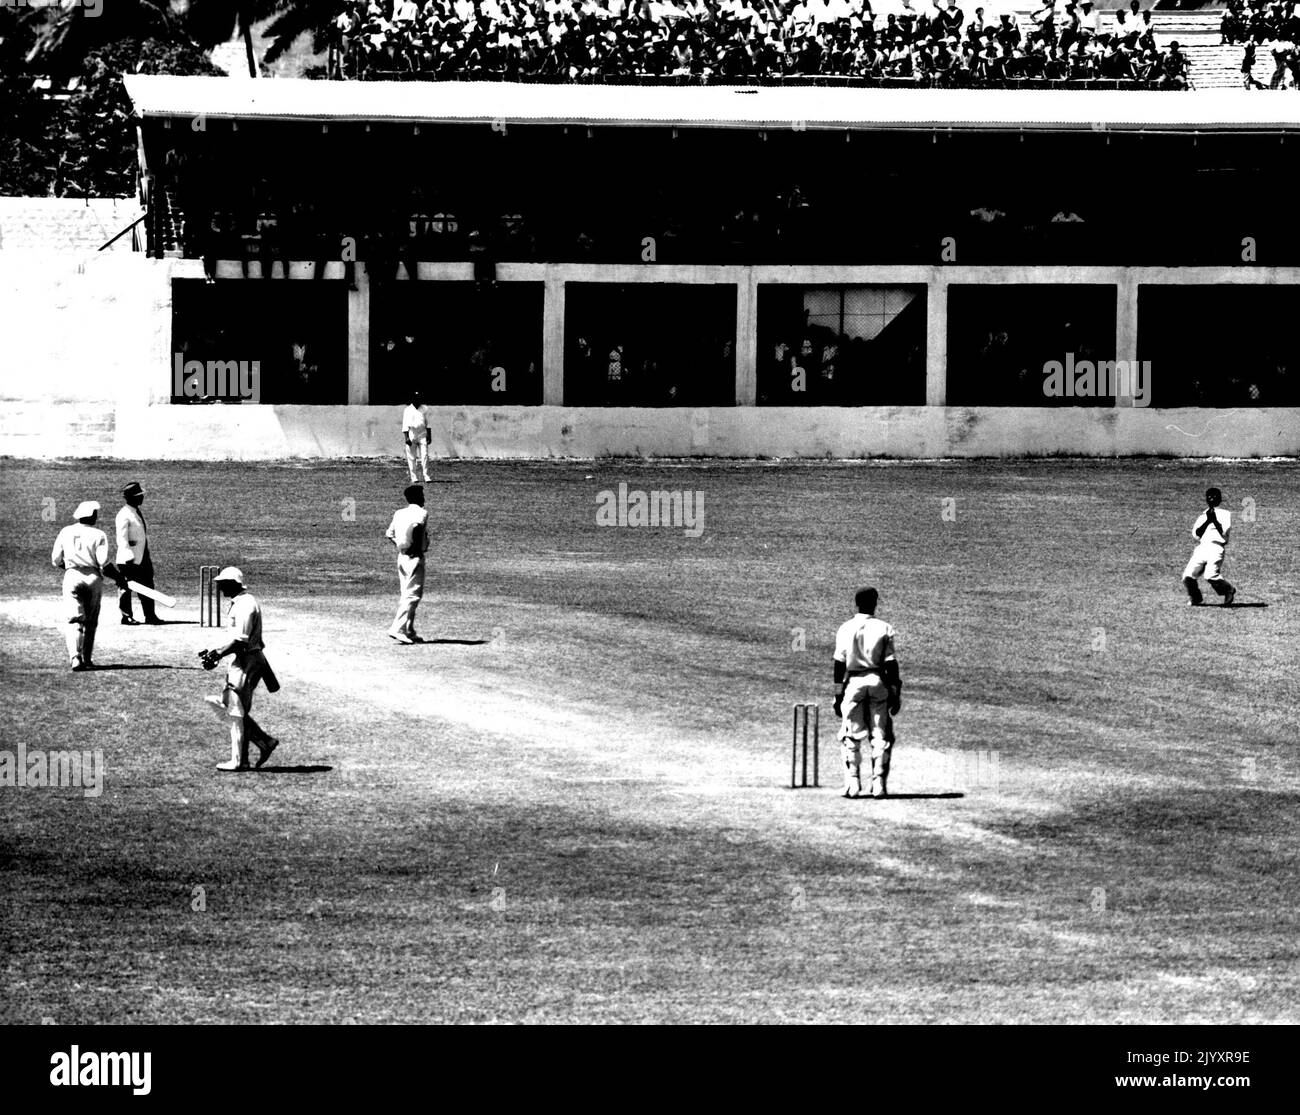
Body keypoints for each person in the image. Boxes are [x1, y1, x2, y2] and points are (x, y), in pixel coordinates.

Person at [200, 568, 280, 772]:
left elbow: (240, 641)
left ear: (234, 583)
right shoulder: (241, 602)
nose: (219, 587)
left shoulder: (245, 605)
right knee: (233, 706)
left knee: (235, 711)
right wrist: (215, 651)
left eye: (222, 583)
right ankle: (264, 742)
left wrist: (217, 654)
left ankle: (240, 761)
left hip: (247, 661)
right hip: (245, 659)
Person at [832, 586, 902, 799]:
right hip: (877, 681)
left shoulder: (846, 628)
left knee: (850, 736)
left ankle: (853, 785)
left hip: (853, 682)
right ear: (875, 603)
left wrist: (837, 695)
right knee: (880, 735)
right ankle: (878, 784)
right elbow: (891, 665)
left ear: (856, 603)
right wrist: (895, 692)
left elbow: (839, 664)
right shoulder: (884, 627)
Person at [51, 501, 128, 672]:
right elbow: (104, 563)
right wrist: (119, 578)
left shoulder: (65, 531)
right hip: (93, 578)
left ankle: (75, 658)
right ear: (91, 515)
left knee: (74, 620)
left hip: (71, 576)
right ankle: (86, 658)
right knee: (91, 622)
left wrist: (72, 567)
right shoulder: (98, 534)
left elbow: (56, 560)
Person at [384, 484, 430, 644]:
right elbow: (416, 527)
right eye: (422, 496)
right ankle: (397, 629)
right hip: (414, 557)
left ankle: (409, 630)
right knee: (413, 595)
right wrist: (413, 548)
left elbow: (389, 534)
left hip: (401, 557)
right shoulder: (422, 513)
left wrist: (401, 545)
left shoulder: (399, 513)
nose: (424, 498)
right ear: (417, 498)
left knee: (406, 594)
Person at [116, 480, 163, 625]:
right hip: (129, 558)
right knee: (126, 587)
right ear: (131, 497)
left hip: (142, 556)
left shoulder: (135, 512)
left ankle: (150, 615)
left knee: (148, 585)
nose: (142, 497)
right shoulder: (124, 514)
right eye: (139, 495)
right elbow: (121, 538)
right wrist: (127, 555)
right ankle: (126, 616)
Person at [1182, 486, 1237, 607]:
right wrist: (1207, 520)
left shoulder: (1225, 514)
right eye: (1209, 497)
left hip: (1216, 547)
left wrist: (1214, 520)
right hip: (1202, 548)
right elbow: (1196, 534)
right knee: (1188, 576)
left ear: (1220, 499)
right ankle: (1196, 598)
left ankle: (1228, 590)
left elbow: (1224, 531)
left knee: (1210, 575)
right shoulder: (1202, 516)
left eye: (1214, 496)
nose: (1211, 498)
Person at [402, 389, 432, 482]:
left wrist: (429, 436)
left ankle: (426, 476)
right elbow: (405, 424)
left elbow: (428, 424)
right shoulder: (407, 410)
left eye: (418, 397)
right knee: (411, 456)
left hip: (422, 433)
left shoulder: (425, 408)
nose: (417, 399)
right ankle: (414, 477)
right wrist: (406, 437)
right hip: (412, 433)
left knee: (425, 455)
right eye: (415, 398)